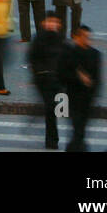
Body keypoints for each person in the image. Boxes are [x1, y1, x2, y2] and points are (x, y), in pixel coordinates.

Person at [61, 24, 102, 152]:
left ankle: (74, 148)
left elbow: (98, 77)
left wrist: (94, 93)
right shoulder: (69, 54)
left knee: (81, 130)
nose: (86, 40)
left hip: (87, 99)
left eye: (88, 37)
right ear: (76, 37)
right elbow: (62, 75)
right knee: (77, 129)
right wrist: (79, 78)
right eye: (84, 37)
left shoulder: (95, 54)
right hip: (72, 98)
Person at [29, 14, 67, 150]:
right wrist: (40, 72)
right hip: (44, 80)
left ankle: (40, 115)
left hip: (58, 80)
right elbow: (32, 58)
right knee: (50, 109)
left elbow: (68, 59)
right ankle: (52, 141)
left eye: (55, 22)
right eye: (50, 21)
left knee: (57, 109)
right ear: (44, 23)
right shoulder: (39, 39)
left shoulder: (61, 39)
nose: (52, 24)